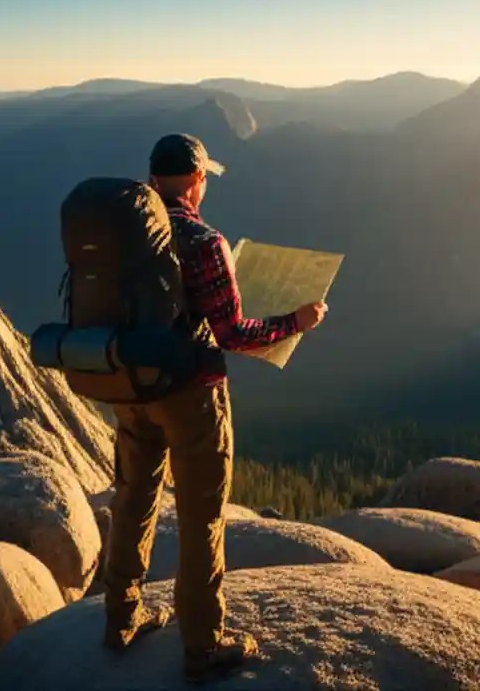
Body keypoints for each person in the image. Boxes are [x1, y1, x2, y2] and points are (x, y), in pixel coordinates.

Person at [103, 133, 327, 680]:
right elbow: (232, 333)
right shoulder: (204, 241)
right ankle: (202, 646)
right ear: (198, 180)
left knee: (132, 499)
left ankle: (121, 619)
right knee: (202, 516)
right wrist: (295, 323)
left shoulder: (124, 232)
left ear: (154, 178)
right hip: (190, 394)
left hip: (131, 387)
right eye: (206, 178)